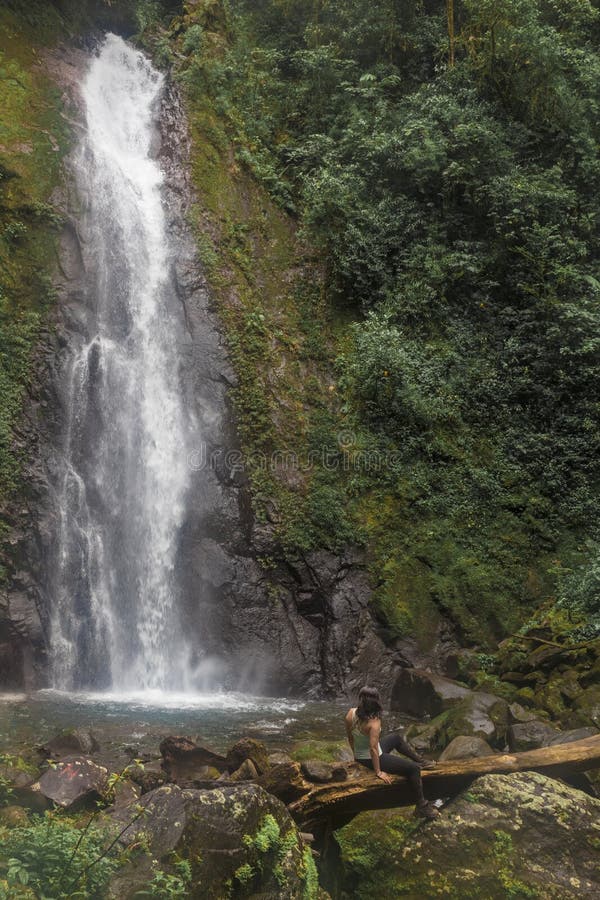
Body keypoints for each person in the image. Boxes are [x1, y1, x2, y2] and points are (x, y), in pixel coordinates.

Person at [345, 685, 439, 820]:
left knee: (396, 738)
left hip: (362, 755)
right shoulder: (374, 723)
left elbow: (350, 737)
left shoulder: (350, 713)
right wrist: (378, 772)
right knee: (413, 769)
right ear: (376, 702)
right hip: (372, 757)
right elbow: (373, 750)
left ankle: (421, 761)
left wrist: (356, 756)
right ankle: (422, 806)